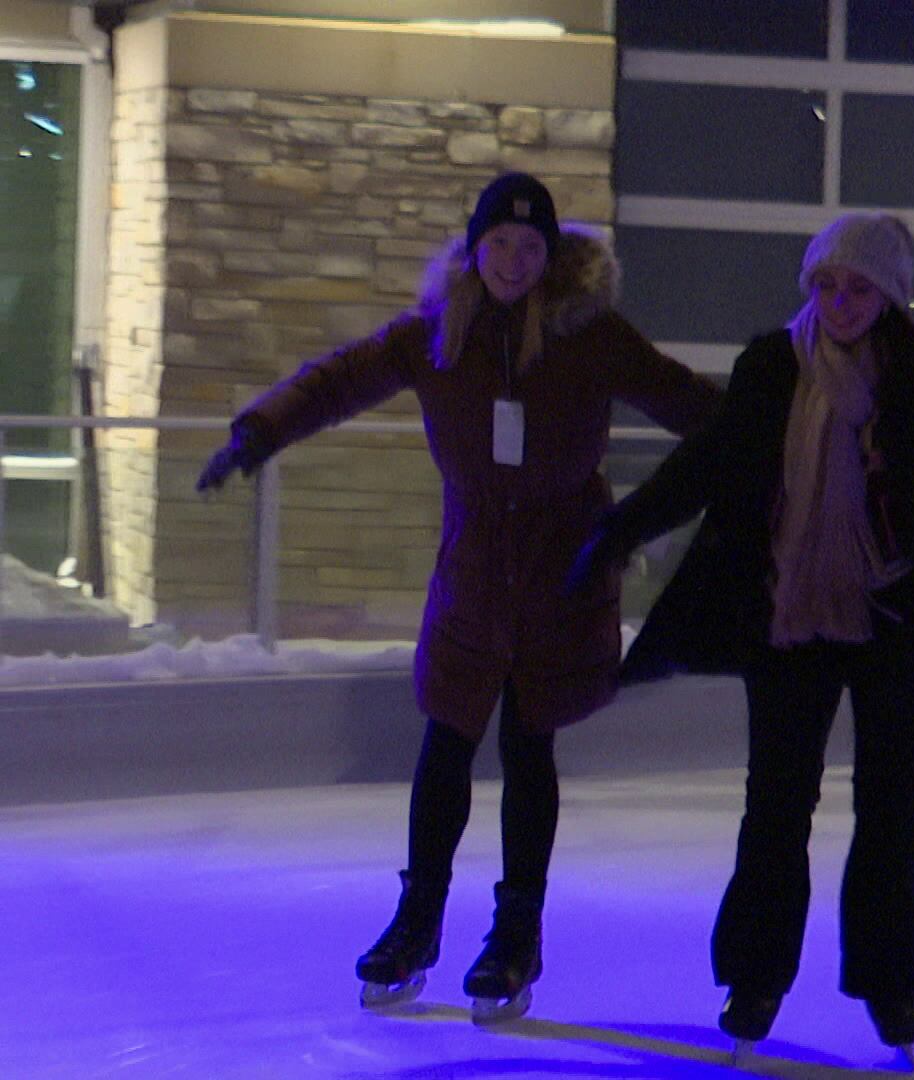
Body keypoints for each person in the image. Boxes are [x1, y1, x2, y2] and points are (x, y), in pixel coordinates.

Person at [195, 172, 721, 1021]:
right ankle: (419, 920)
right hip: (473, 569)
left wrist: (789, 436)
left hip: (563, 570)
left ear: (551, 258)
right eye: (500, 243)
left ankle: (516, 933)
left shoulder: (590, 336)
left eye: (531, 246)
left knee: (528, 745)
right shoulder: (436, 334)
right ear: (474, 248)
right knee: (446, 742)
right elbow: (337, 381)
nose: (513, 260)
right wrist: (257, 432)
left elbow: (689, 401)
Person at [568, 212, 914, 1058]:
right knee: (775, 803)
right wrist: (621, 528)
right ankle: (755, 979)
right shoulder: (771, 366)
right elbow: (708, 462)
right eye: (827, 285)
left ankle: (890, 988)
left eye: (859, 288)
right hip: (788, 615)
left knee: (892, 809)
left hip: (894, 623)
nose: (840, 302)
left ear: (889, 296)